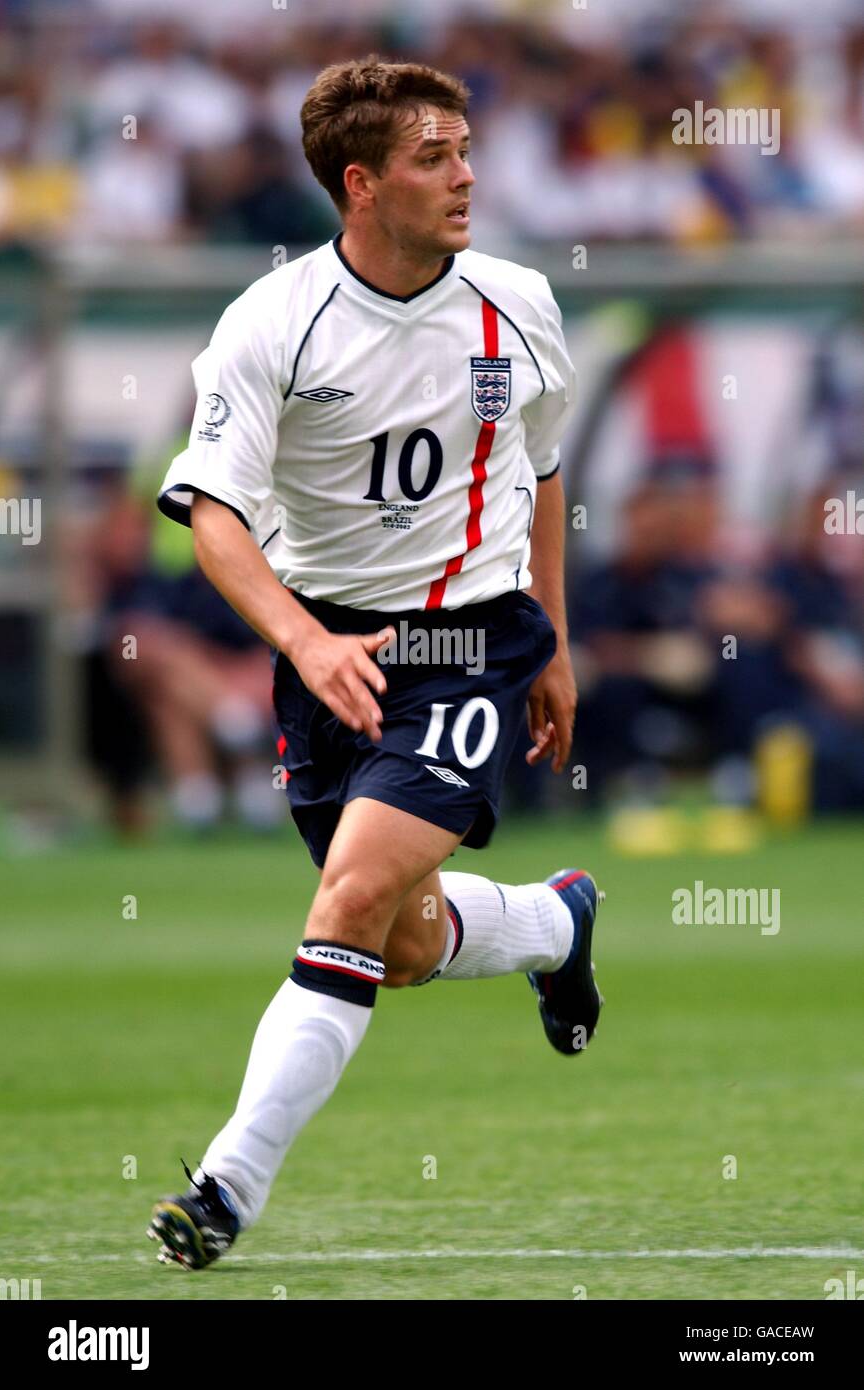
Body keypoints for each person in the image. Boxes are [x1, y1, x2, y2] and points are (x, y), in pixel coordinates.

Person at [146, 56, 604, 1271]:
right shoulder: (272, 322)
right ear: (360, 185)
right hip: (331, 653)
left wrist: (548, 640)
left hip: (468, 641)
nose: (465, 177)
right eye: (431, 158)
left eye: (464, 151)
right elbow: (210, 511)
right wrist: (301, 639)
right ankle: (556, 925)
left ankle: (224, 1188)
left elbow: (540, 475)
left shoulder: (518, 305)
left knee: (344, 898)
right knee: (395, 943)